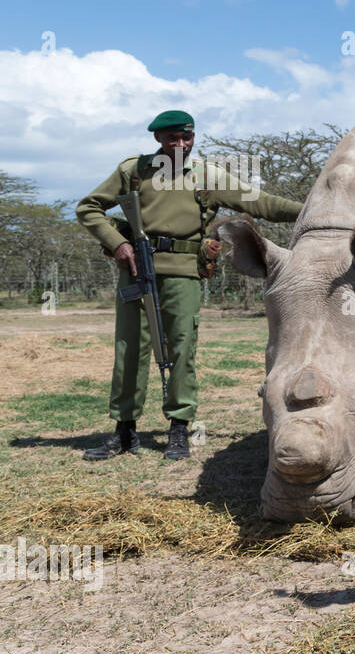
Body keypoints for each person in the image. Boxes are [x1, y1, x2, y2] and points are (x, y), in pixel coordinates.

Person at [76, 110, 304, 461]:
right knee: (129, 350)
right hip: (136, 268)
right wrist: (118, 242)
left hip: (183, 272)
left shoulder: (206, 176)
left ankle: (179, 428)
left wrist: (311, 209)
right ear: (158, 139)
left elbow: (262, 203)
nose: (180, 145)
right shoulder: (133, 171)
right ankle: (124, 431)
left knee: (181, 348)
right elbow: (89, 207)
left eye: (187, 138)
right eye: (172, 139)